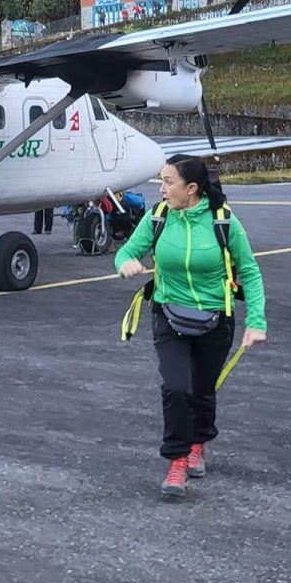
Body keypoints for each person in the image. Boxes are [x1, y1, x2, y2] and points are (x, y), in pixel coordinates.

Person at [115, 155, 267, 498]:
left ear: (192, 188)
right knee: (176, 388)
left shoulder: (223, 222)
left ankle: (199, 441)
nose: (162, 188)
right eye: (162, 181)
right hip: (168, 315)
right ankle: (177, 460)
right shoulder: (158, 218)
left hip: (216, 320)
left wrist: (256, 321)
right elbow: (126, 252)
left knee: (201, 388)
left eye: (169, 182)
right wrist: (126, 263)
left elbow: (251, 272)